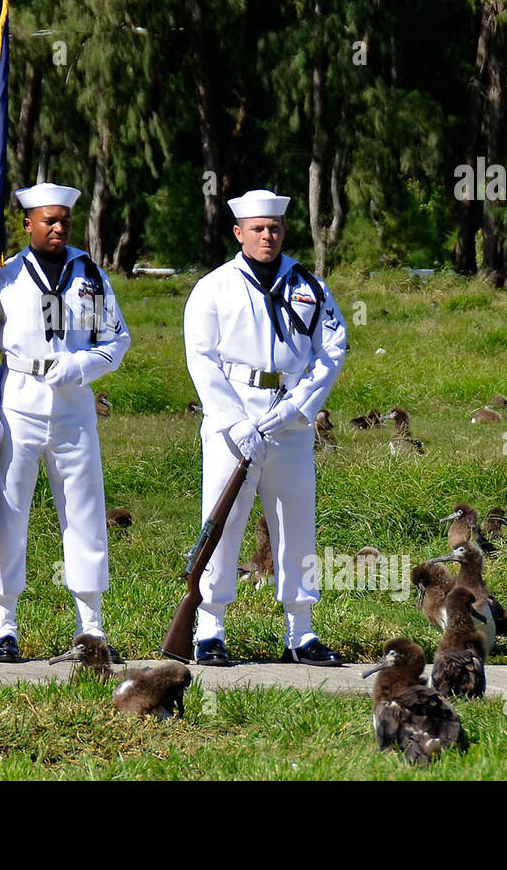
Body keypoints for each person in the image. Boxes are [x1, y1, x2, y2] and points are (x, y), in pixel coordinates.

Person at [0, 183, 131, 661]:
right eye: (48, 221)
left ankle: (90, 626)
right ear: (27, 224)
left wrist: (84, 365)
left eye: (65, 222)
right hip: (18, 399)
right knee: (10, 513)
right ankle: (4, 625)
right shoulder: (3, 277)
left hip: (74, 403)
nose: (58, 229)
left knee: (84, 513)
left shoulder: (88, 276)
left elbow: (115, 340)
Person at [182, 189, 348, 666]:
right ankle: (209, 627)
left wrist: (300, 406)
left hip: (290, 419)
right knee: (225, 522)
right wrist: (234, 421)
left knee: (296, 524)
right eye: (257, 229)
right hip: (232, 417)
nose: (267, 235)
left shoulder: (309, 285)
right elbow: (202, 358)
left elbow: (332, 348)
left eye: (274, 228)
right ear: (238, 233)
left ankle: (301, 631)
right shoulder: (214, 287)